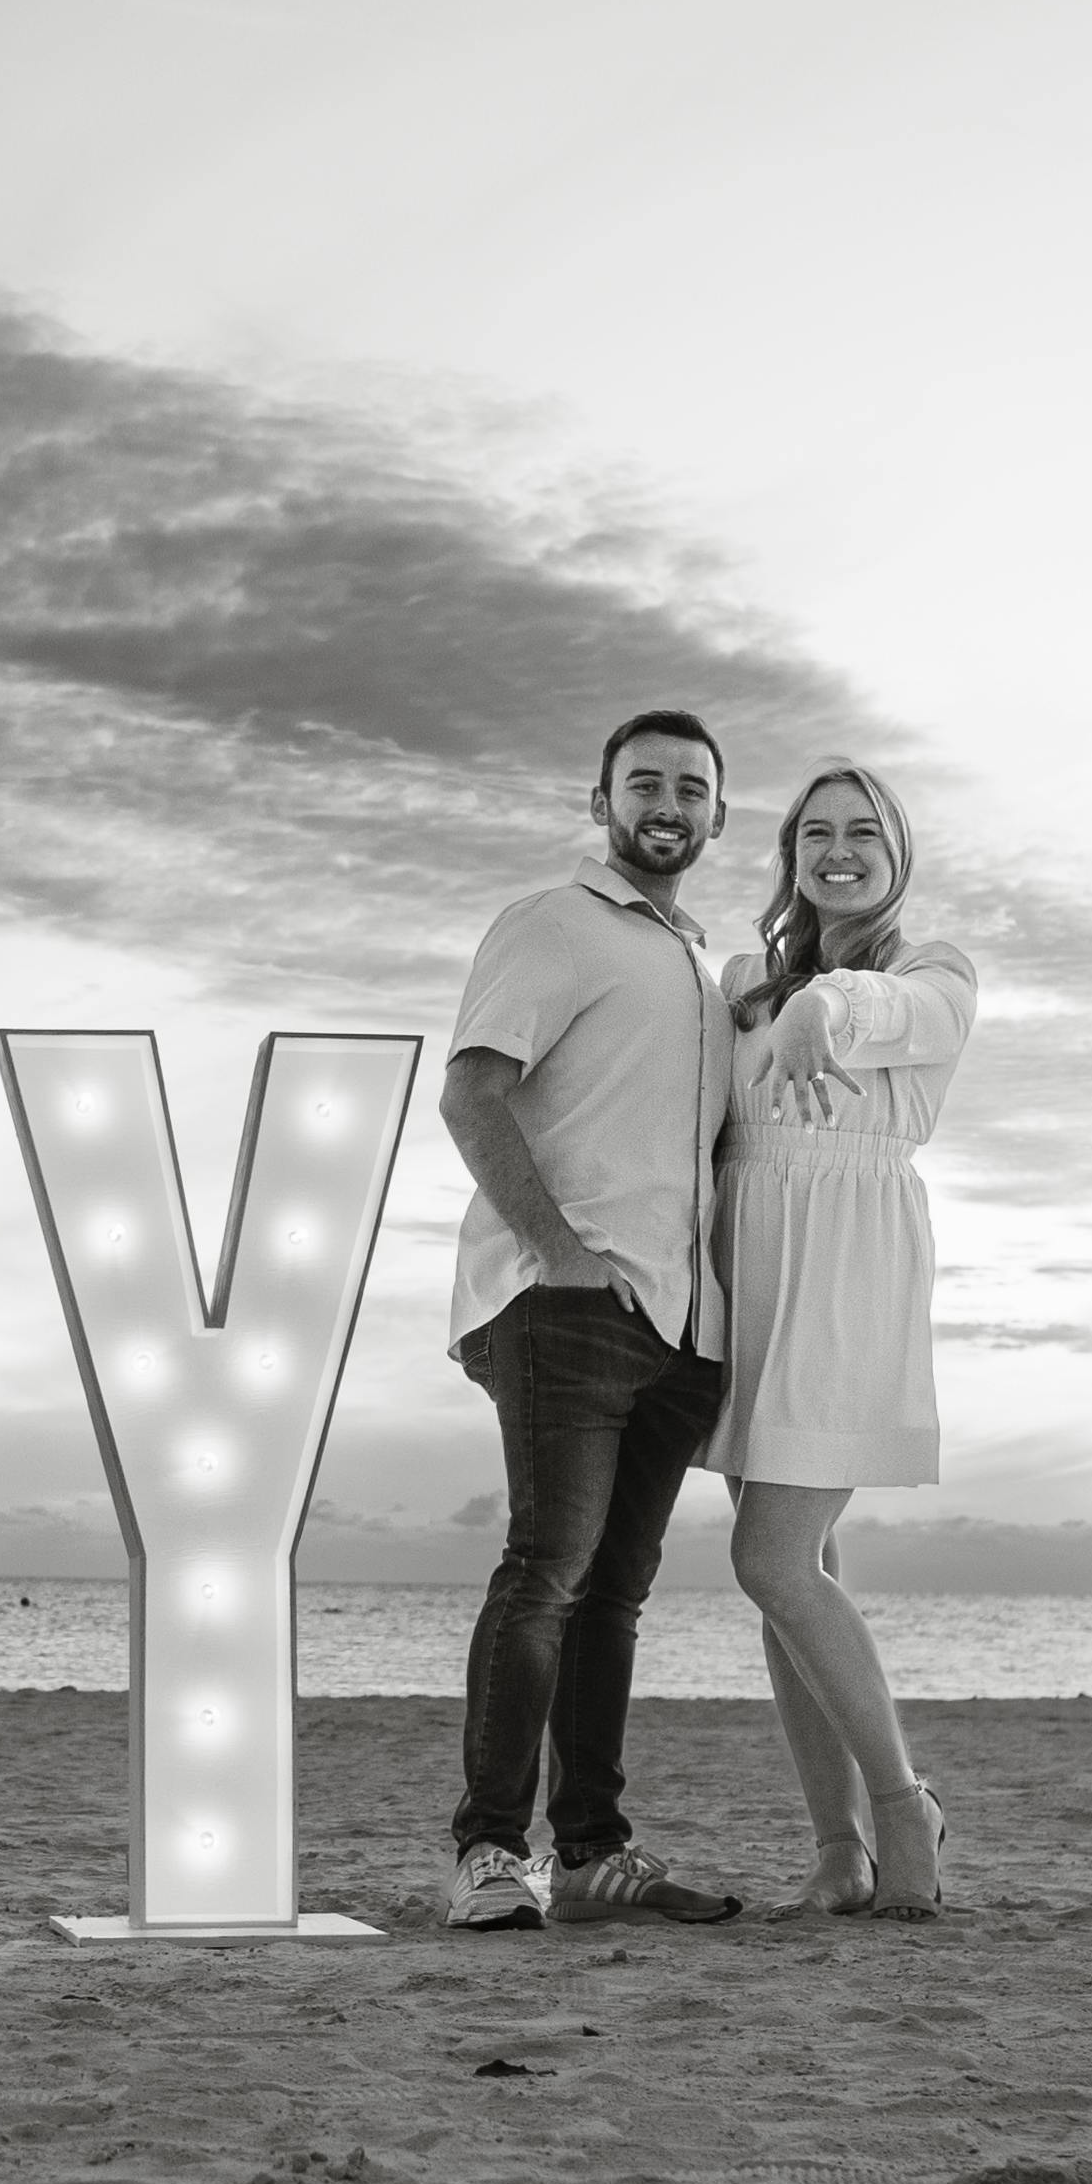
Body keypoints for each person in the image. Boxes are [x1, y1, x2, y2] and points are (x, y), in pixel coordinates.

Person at [430, 709, 754, 1932]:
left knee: (613, 1595)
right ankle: (486, 1853)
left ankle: (590, 1851)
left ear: (718, 815)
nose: (665, 803)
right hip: (564, 1302)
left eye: (690, 787)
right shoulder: (552, 923)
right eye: (642, 783)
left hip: (678, 1325)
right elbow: (469, 1090)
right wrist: (559, 1253)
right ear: (600, 799)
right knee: (545, 1572)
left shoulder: (700, 968)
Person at [706, 760, 977, 1918]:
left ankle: (905, 1804)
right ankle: (836, 1847)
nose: (837, 849)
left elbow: (887, 1014)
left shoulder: (934, 971)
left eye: (862, 831)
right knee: (792, 1578)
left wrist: (826, 1002)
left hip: (846, 1268)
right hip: (741, 1264)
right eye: (814, 831)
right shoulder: (740, 984)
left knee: (769, 1558)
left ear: (896, 850)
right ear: (788, 854)